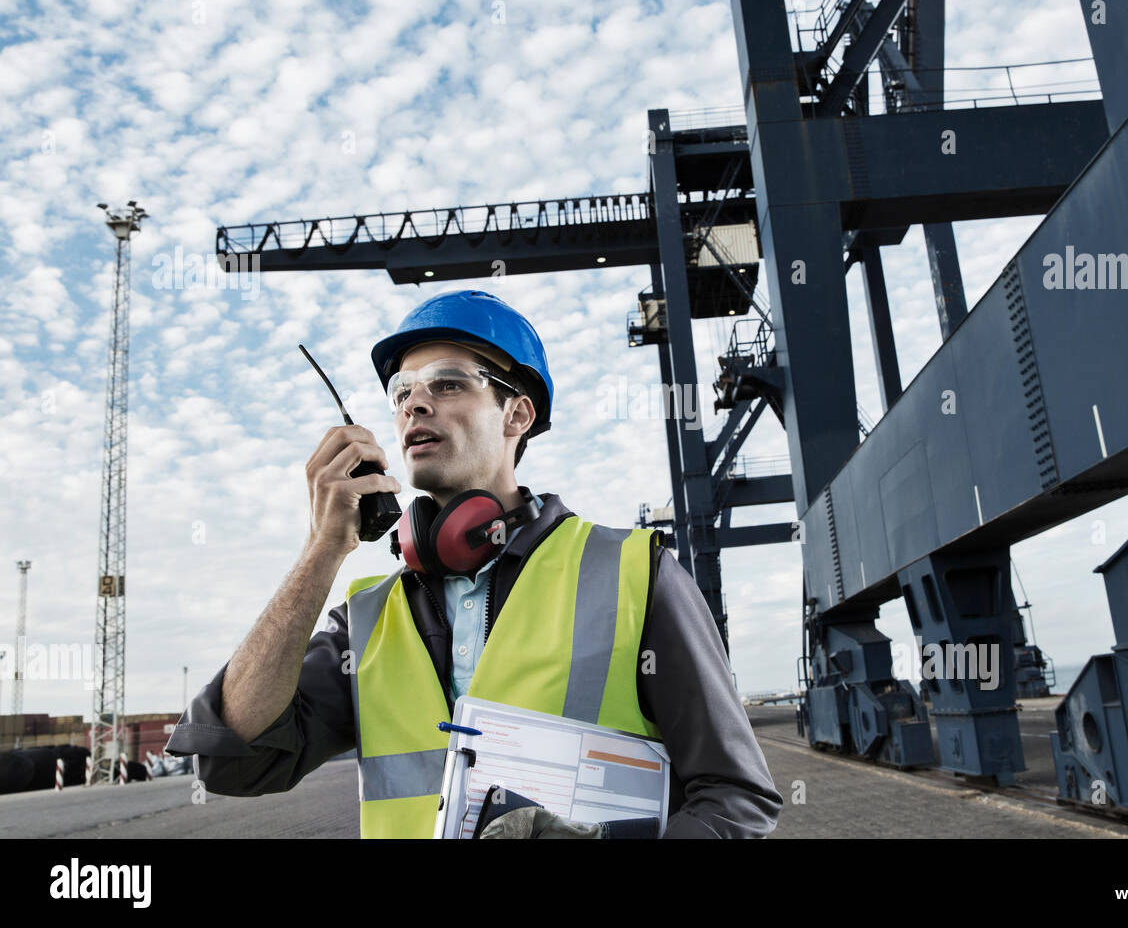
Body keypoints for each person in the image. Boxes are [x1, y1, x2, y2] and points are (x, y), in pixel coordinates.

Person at [165, 288, 782, 838]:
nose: (415, 405)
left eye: (448, 382)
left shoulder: (634, 574)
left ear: (518, 413)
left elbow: (736, 798)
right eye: (402, 392)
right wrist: (321, 551)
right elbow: (230, 759)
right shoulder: (367, 620)